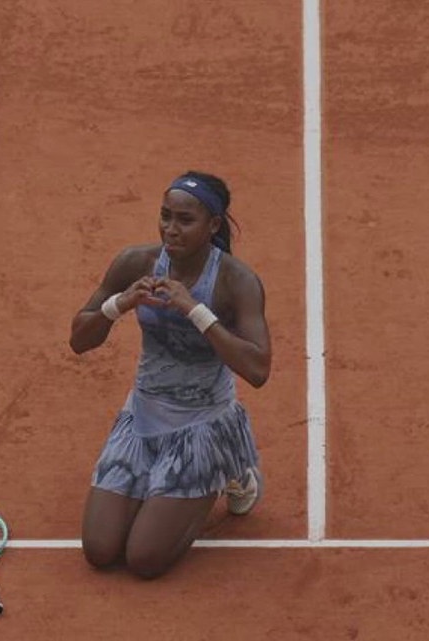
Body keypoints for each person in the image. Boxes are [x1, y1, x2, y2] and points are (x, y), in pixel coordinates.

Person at [69, 170, 272, 579]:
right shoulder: (135, 262)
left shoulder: (237, 281)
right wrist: (119, 304)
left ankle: (231, 468)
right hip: (141, 419)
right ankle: (161, 485)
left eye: (184, 220)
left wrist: (194, 310)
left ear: (213, 225)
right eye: (165, 216)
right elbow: (79, 338)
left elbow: (257, 368)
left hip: (201, 428)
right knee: (100, 549)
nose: (170, 229)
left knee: (145, 560)